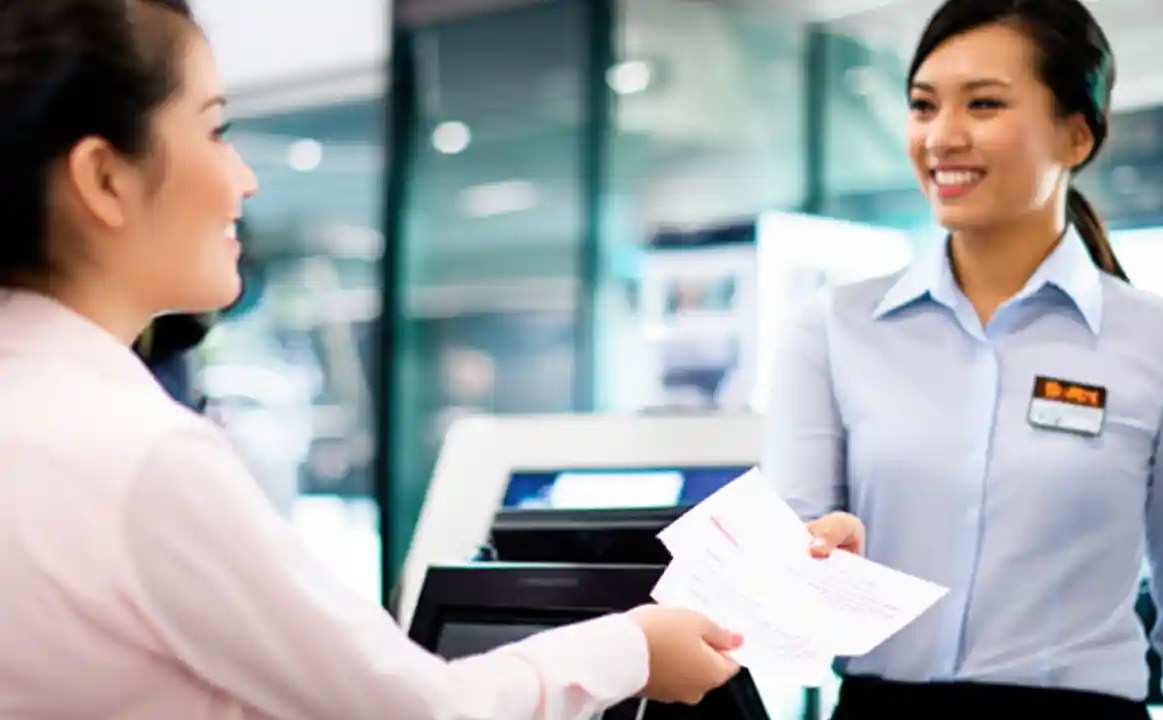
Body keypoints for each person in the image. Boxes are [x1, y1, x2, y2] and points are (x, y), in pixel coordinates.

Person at [0, 2, 741, 718]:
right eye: (216, 131)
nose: (245, 180)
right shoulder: (143, 457)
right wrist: (634, 648)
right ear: (104, 178)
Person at [762, 1, 1163, 718]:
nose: (942, 136)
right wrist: (796, 569)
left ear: (1077, 135)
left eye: (984, 104)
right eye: (923, 106)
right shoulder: (834, 329)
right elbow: (788, 581)